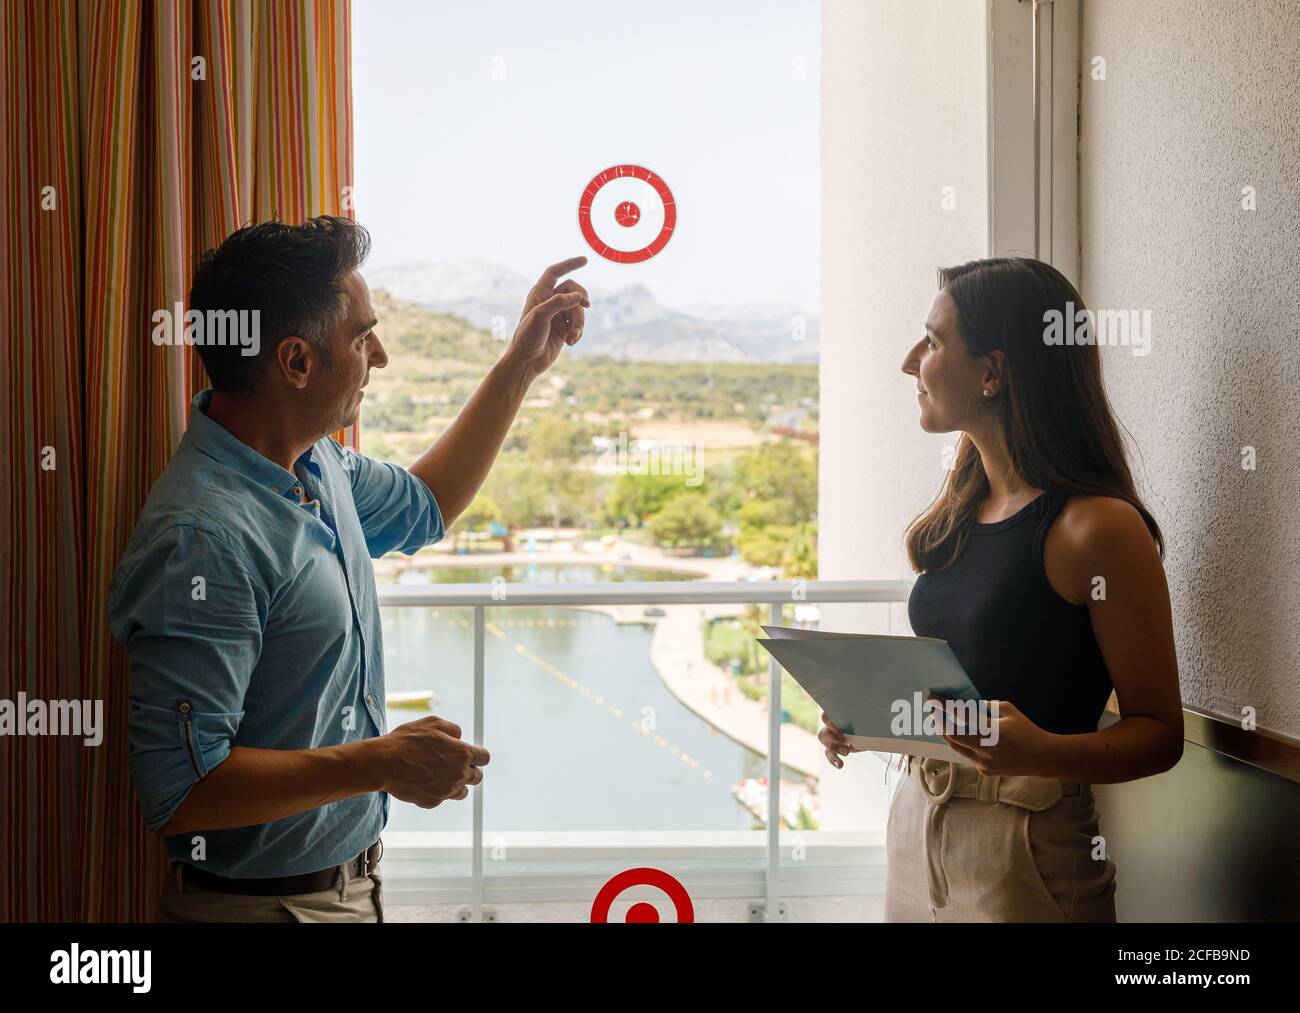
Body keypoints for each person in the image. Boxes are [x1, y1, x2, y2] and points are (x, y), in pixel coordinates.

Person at [108, 216, 589, 922]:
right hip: (265, 909)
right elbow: (183, 791)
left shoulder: (316, 463)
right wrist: (382, 763)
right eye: (363, 336)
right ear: (297, 361)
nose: (381, 356)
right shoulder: (203, 535)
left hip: (342, 892)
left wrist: (524, 360)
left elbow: (427, 504)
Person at [819, 256, 1183, 922]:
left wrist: (1041, 749)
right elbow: (966, 691)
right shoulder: (962, 511)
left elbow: (1160, 735)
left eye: (931, 341)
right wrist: (871, 717)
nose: (909, 362)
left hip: (1026, 850)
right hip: (916, 819)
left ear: (992, 371)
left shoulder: (1095, 529)